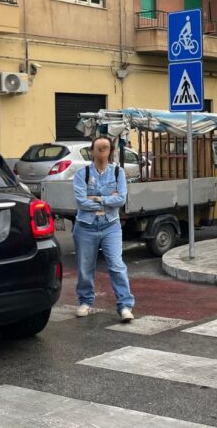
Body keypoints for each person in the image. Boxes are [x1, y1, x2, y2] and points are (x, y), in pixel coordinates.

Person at [73, 136, 135, 322]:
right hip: (85, 226)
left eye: (106, 148)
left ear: (110, 151)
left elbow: (121, 199)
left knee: (116, 266)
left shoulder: (118, 173)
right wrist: (108, 199)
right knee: (85, 267)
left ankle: (125, 306)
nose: (102, 151)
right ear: (92, 152)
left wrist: (97, 199)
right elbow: (81, 202)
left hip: (111, 226)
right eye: (98, 148)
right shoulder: (81, 174)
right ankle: (85, 302)